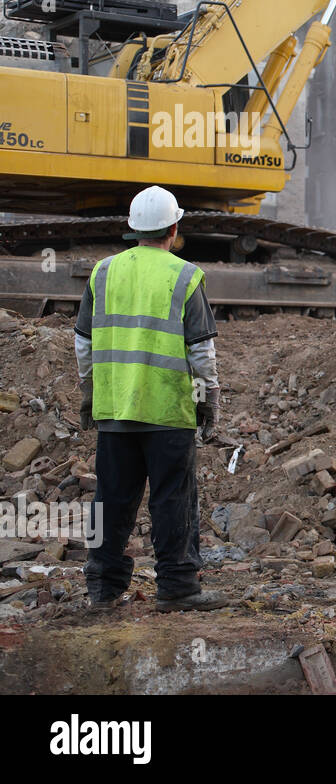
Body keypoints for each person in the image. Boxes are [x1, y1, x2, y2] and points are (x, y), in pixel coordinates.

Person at [74, 185, 228, 613]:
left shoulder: (103, 271)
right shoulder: (185, 275)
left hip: (115, 409)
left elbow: (83, 343)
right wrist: (209, 398)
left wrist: (91, 392)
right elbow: (201, 351)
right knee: (172, 499)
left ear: (133, 229)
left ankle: (103, 588)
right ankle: (178, 587)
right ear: (174, 229)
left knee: (111, 500)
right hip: (167, 412)